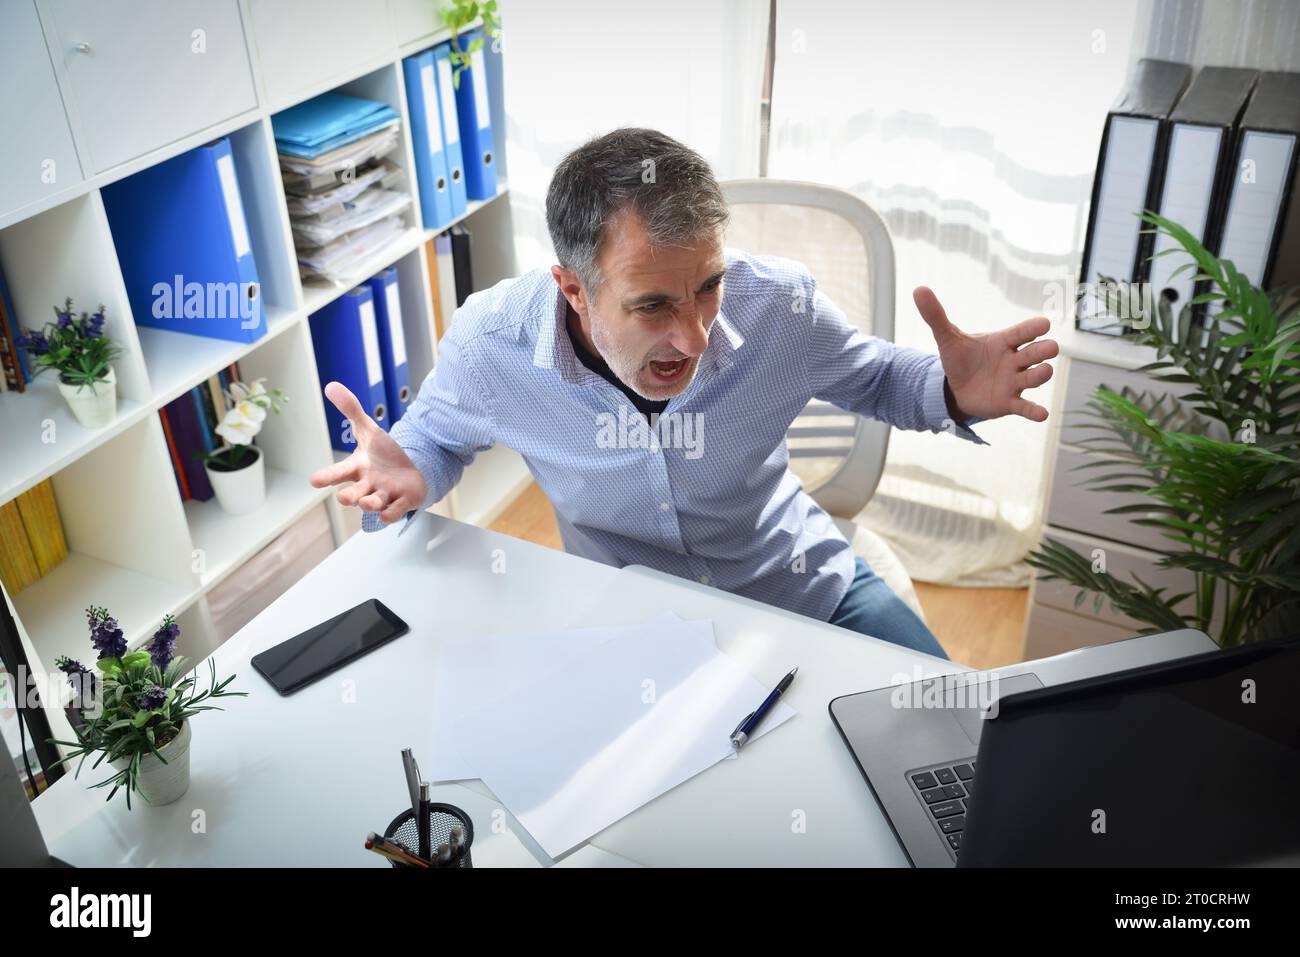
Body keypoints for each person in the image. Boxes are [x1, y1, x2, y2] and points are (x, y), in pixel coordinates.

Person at [309, 128, 1058, 660]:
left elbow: (881, 380)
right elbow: (433, 442)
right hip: (630, 620)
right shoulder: (492, 344)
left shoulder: (777, 306)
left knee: (956, 729)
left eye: (708, 288)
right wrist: (415, 466)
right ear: (573, 289)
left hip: (799, 583)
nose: (696, 336)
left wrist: (953, 392)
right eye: (653, 306)